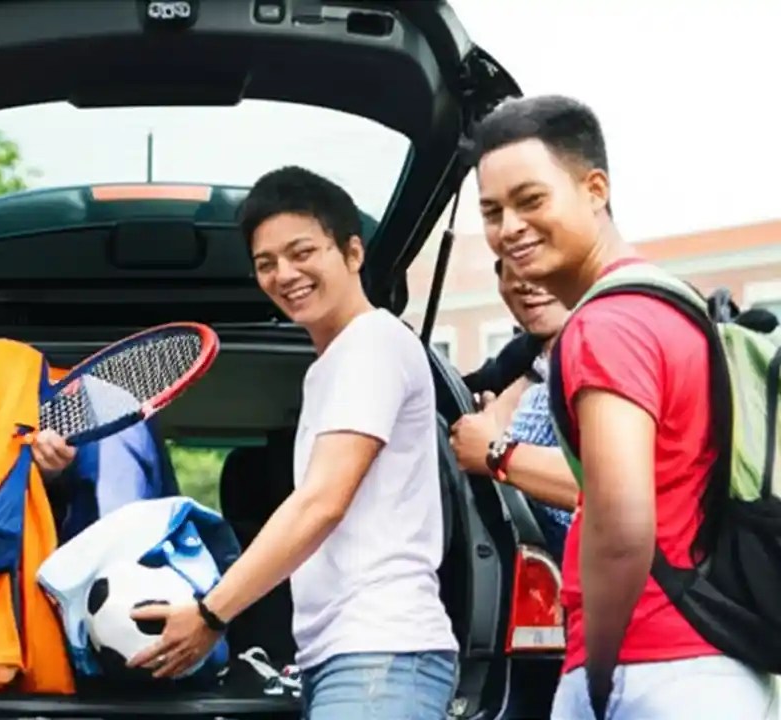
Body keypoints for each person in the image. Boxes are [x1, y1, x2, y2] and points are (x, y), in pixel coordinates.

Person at [471, 94, 777, 719]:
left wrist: (601, 673)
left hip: (653, 667)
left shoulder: (603, 326)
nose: (510, 228)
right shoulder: (671, 304)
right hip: (714, 664)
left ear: (595, 189)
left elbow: (622, 522)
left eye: (531, 200)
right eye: (492, 211)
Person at [128, 166, 458, 718]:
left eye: (302, 252)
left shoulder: (371, 343)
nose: (285, 274)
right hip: (348, 658)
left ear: (352, 253)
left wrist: (211, 615)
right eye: (266, 263)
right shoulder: (330, 366)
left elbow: (321, 501)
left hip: (380, 652)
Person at [449, 258, 576, 561]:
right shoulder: (522, 361)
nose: (529, 283)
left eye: (544, 264)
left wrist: (496, 451)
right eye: (514, 268)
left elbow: (613, 491)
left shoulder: (610, 352)